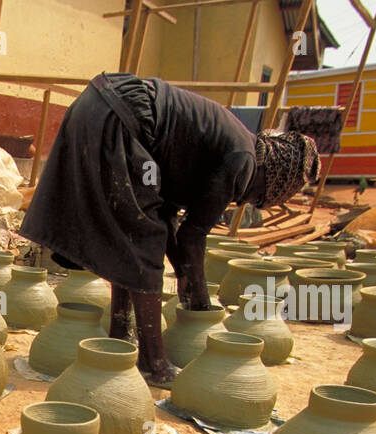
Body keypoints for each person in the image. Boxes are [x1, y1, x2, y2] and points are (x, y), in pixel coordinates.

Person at [20, 72, 319, 387]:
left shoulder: (234, 144)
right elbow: (191, 236)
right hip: (121, 116)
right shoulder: (242, 160)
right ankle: (155, 363)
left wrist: (187, 277)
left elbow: (170, 222)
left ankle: (121, 335)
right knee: (143, 241)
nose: (252, 201)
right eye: (261, 197)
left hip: (98, 103)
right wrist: (198, 297)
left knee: (133, 236)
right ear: (270, 176)